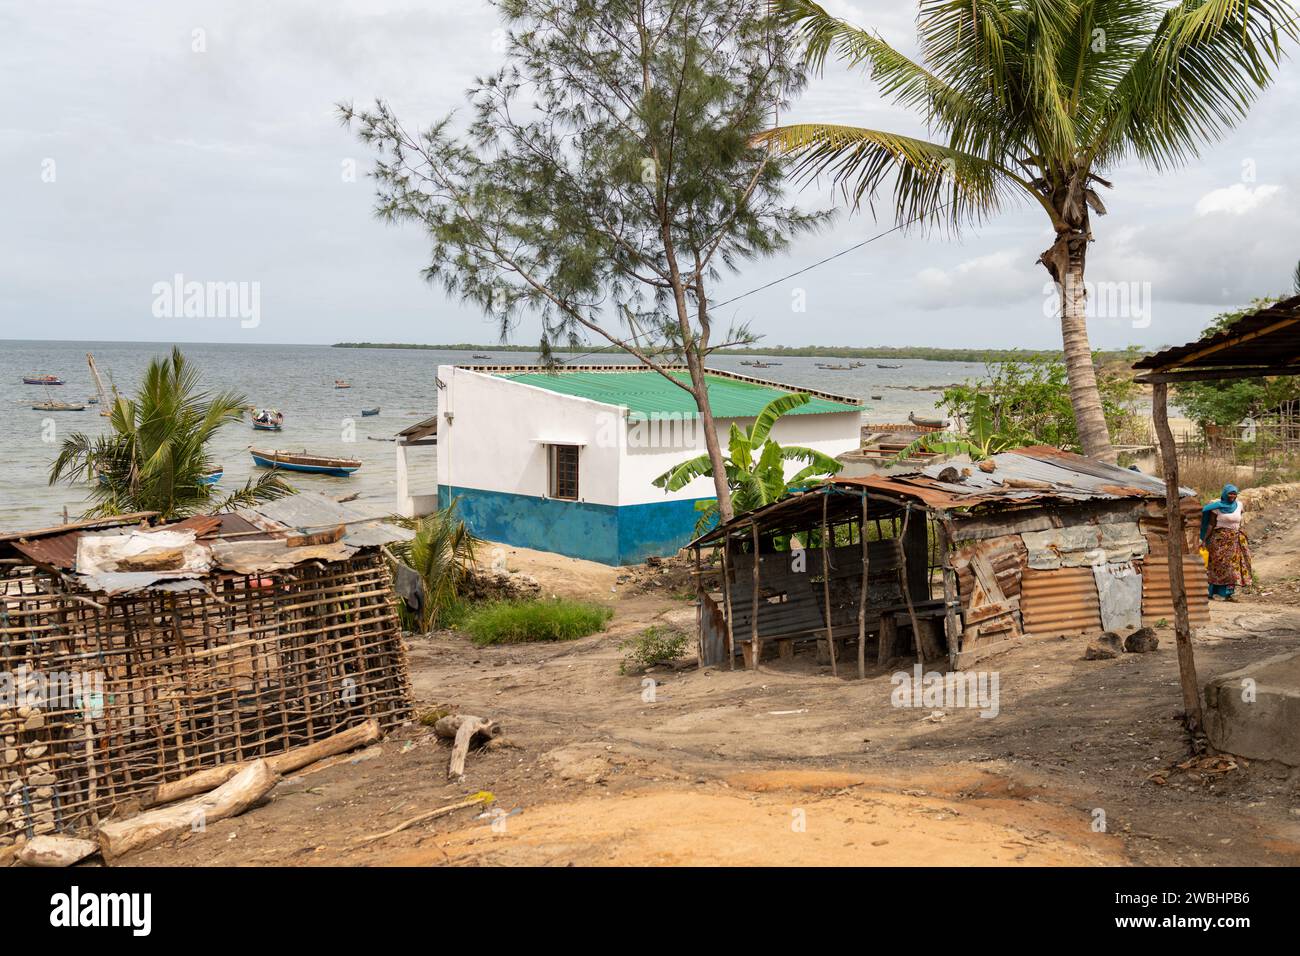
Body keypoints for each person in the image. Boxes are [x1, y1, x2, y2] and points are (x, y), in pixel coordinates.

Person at [1200, 483, 1252, 600]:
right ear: (1224, 494)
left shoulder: (1239, 505)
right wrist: (1204, 540)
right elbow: (1211, 524)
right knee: (1216, 566)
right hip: (1219, 540)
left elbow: (1238, 521)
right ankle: (1211, 593)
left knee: (1232, 567)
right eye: (1230, 493)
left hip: (1234, 540)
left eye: (1234, 493)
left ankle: (1228, 594)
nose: (1232, 496)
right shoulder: (1217, 507)